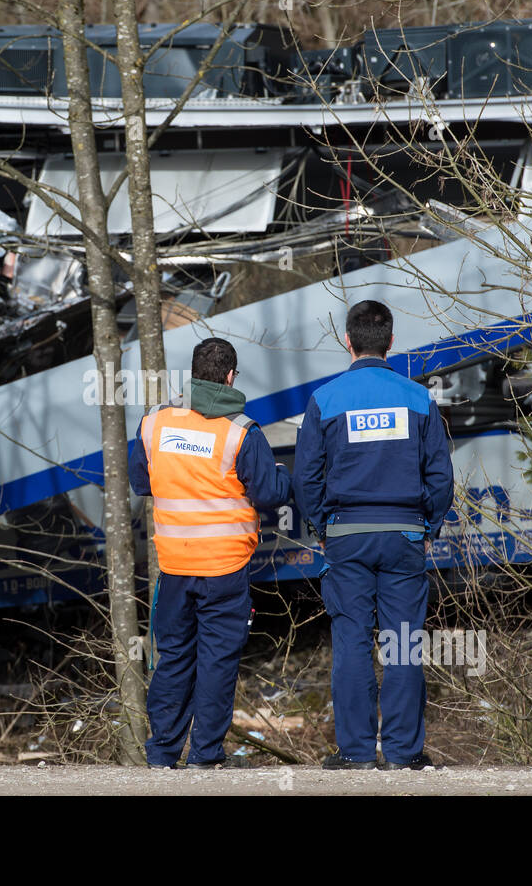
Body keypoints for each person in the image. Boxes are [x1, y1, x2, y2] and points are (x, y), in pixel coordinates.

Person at [294, 300, 454, 770]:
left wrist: (323, 526)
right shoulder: (419, 398)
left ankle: (357, 753)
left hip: (346, 537)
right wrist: (430, 527)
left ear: (348, 342)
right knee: (403, 642)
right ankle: (404, 753)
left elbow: (306, 478)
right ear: (390, 341)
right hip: (405, 535)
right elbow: (440, 477)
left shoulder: (325, 400)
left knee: (352, 641)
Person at [129, 337, 291, 769]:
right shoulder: (242, 432)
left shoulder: (153, 423)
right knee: (217, 662)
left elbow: (141, 482)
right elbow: (270, 494)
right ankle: (204, 756)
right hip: (225, 569)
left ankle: (162, 753)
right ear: (232, 376)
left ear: (193, 375)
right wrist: (281, 473)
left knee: (174, 658)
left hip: (175, 569)